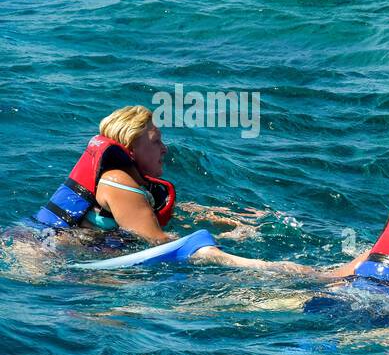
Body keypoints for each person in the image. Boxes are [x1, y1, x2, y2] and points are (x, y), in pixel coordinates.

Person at [34, 105, 313, 273]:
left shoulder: (122, 179)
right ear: (131, 147)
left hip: (53, 249)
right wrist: (231, 238)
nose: (165, 149)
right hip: (44, 261)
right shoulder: (119, 182)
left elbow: (144, 211)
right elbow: (159, 242)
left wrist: (218, 216)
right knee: (203, 250)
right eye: (156, 141)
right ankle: (302, 274)